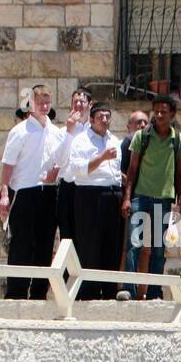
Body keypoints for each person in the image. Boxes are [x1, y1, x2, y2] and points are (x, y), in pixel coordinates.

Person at [0, 84, 60, 299]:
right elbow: (8, 164)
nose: (43, 106)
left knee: (45, 243)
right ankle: (15, 293)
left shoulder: (55, 132)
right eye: (39, 102)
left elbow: (62, 158)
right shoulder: (20, 130)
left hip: (49, 192)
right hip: (24, 192)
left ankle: (38, 293)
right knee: (21, 243)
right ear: (31, 104)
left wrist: (56, 170)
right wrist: (4, 193)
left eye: (47, 102)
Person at [121, 95, 181, 300]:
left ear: (172, 114)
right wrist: (127, 198)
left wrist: (178, 202)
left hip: (164, 200)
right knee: (134, 244)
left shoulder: (178, 140)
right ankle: (128, 289)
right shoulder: (142, 136)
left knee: (158, 248)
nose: (159, 115)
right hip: (141, 196)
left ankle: (155, 291)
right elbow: (132, 170)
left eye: (163, 112)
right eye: (156, 111)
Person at [66, 102, 124, 301]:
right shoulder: (81, 141)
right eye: (101, 117)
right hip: (89, 195)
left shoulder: (114, 140)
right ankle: (89, 292)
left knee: (112, 244)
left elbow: (116, 170)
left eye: (108, 116)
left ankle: (109, 290)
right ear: (91, 120)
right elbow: (78, 169)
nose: (105, 120)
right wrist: (102, 157)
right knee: (90, 243)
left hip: (112, 194)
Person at [52, 87, 92, 259]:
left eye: (82, 102)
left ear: (90, 105)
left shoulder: (95, 132)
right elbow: (59, 162)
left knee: (87, 234)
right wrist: (69, 130)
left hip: (87, 188)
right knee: (67, 235)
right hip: (68, 187)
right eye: (75, 102)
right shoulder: (62, 132)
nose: (78, 105)